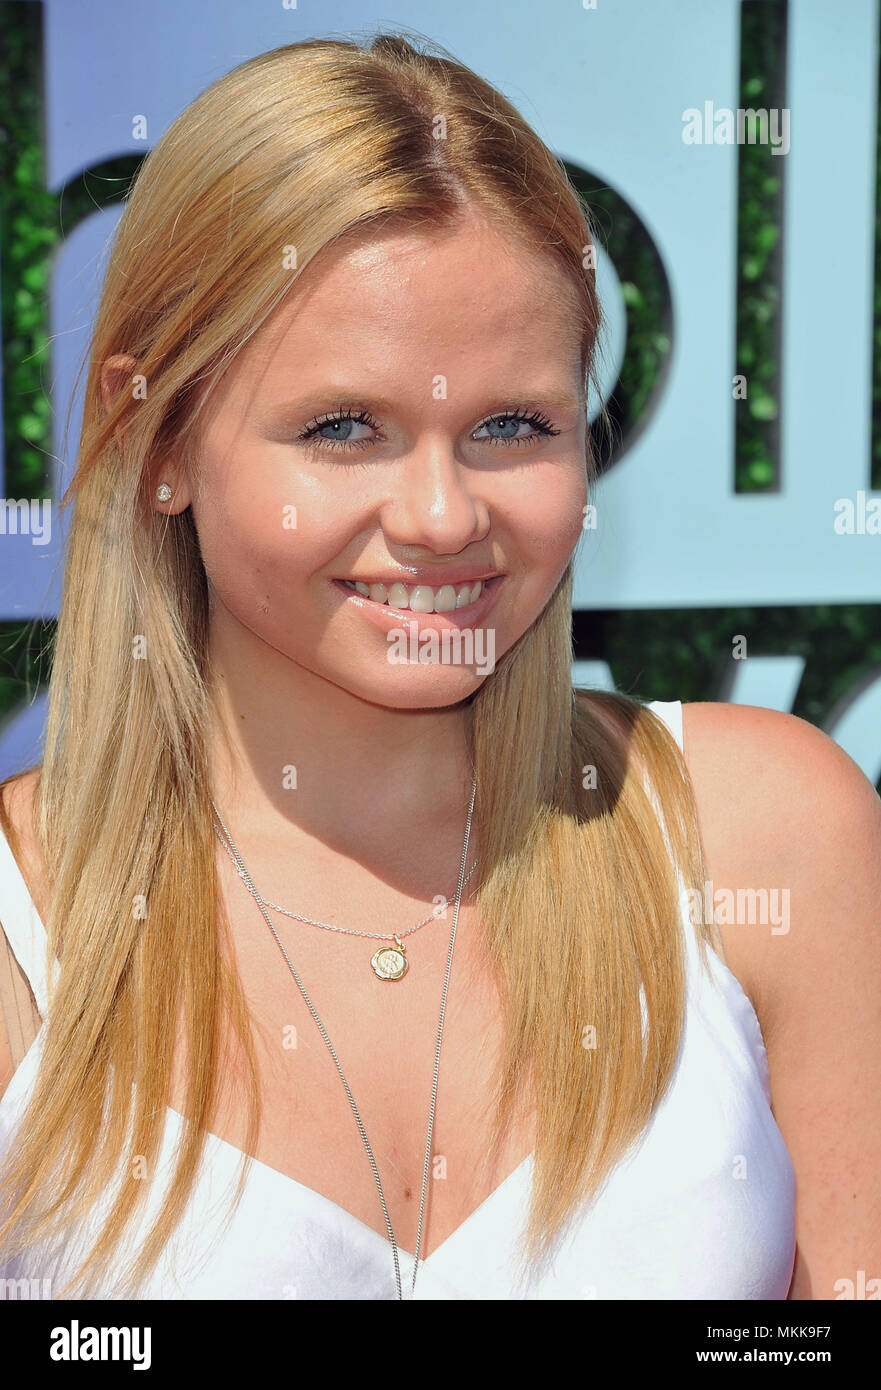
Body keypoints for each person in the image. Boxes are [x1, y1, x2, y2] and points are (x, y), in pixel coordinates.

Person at [0, 31, 879, 1302]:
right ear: (159, 446)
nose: (440, 514)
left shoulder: (763, 838)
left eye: (511, 426)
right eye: (344, 427)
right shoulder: (28, 935)